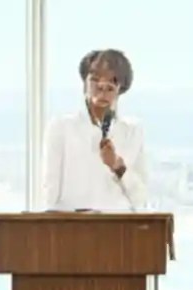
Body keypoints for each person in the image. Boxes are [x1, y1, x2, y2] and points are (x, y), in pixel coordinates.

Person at [42, 48, 148, 211]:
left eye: (111, 82)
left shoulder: (132, 132)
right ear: (85, 83)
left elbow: (140, 198)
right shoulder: (61, 128)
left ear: (120, 87)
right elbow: (50, 193)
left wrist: (117, 166)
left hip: (120, 228)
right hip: (72, 228)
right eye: (96, 80)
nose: (103, 88)